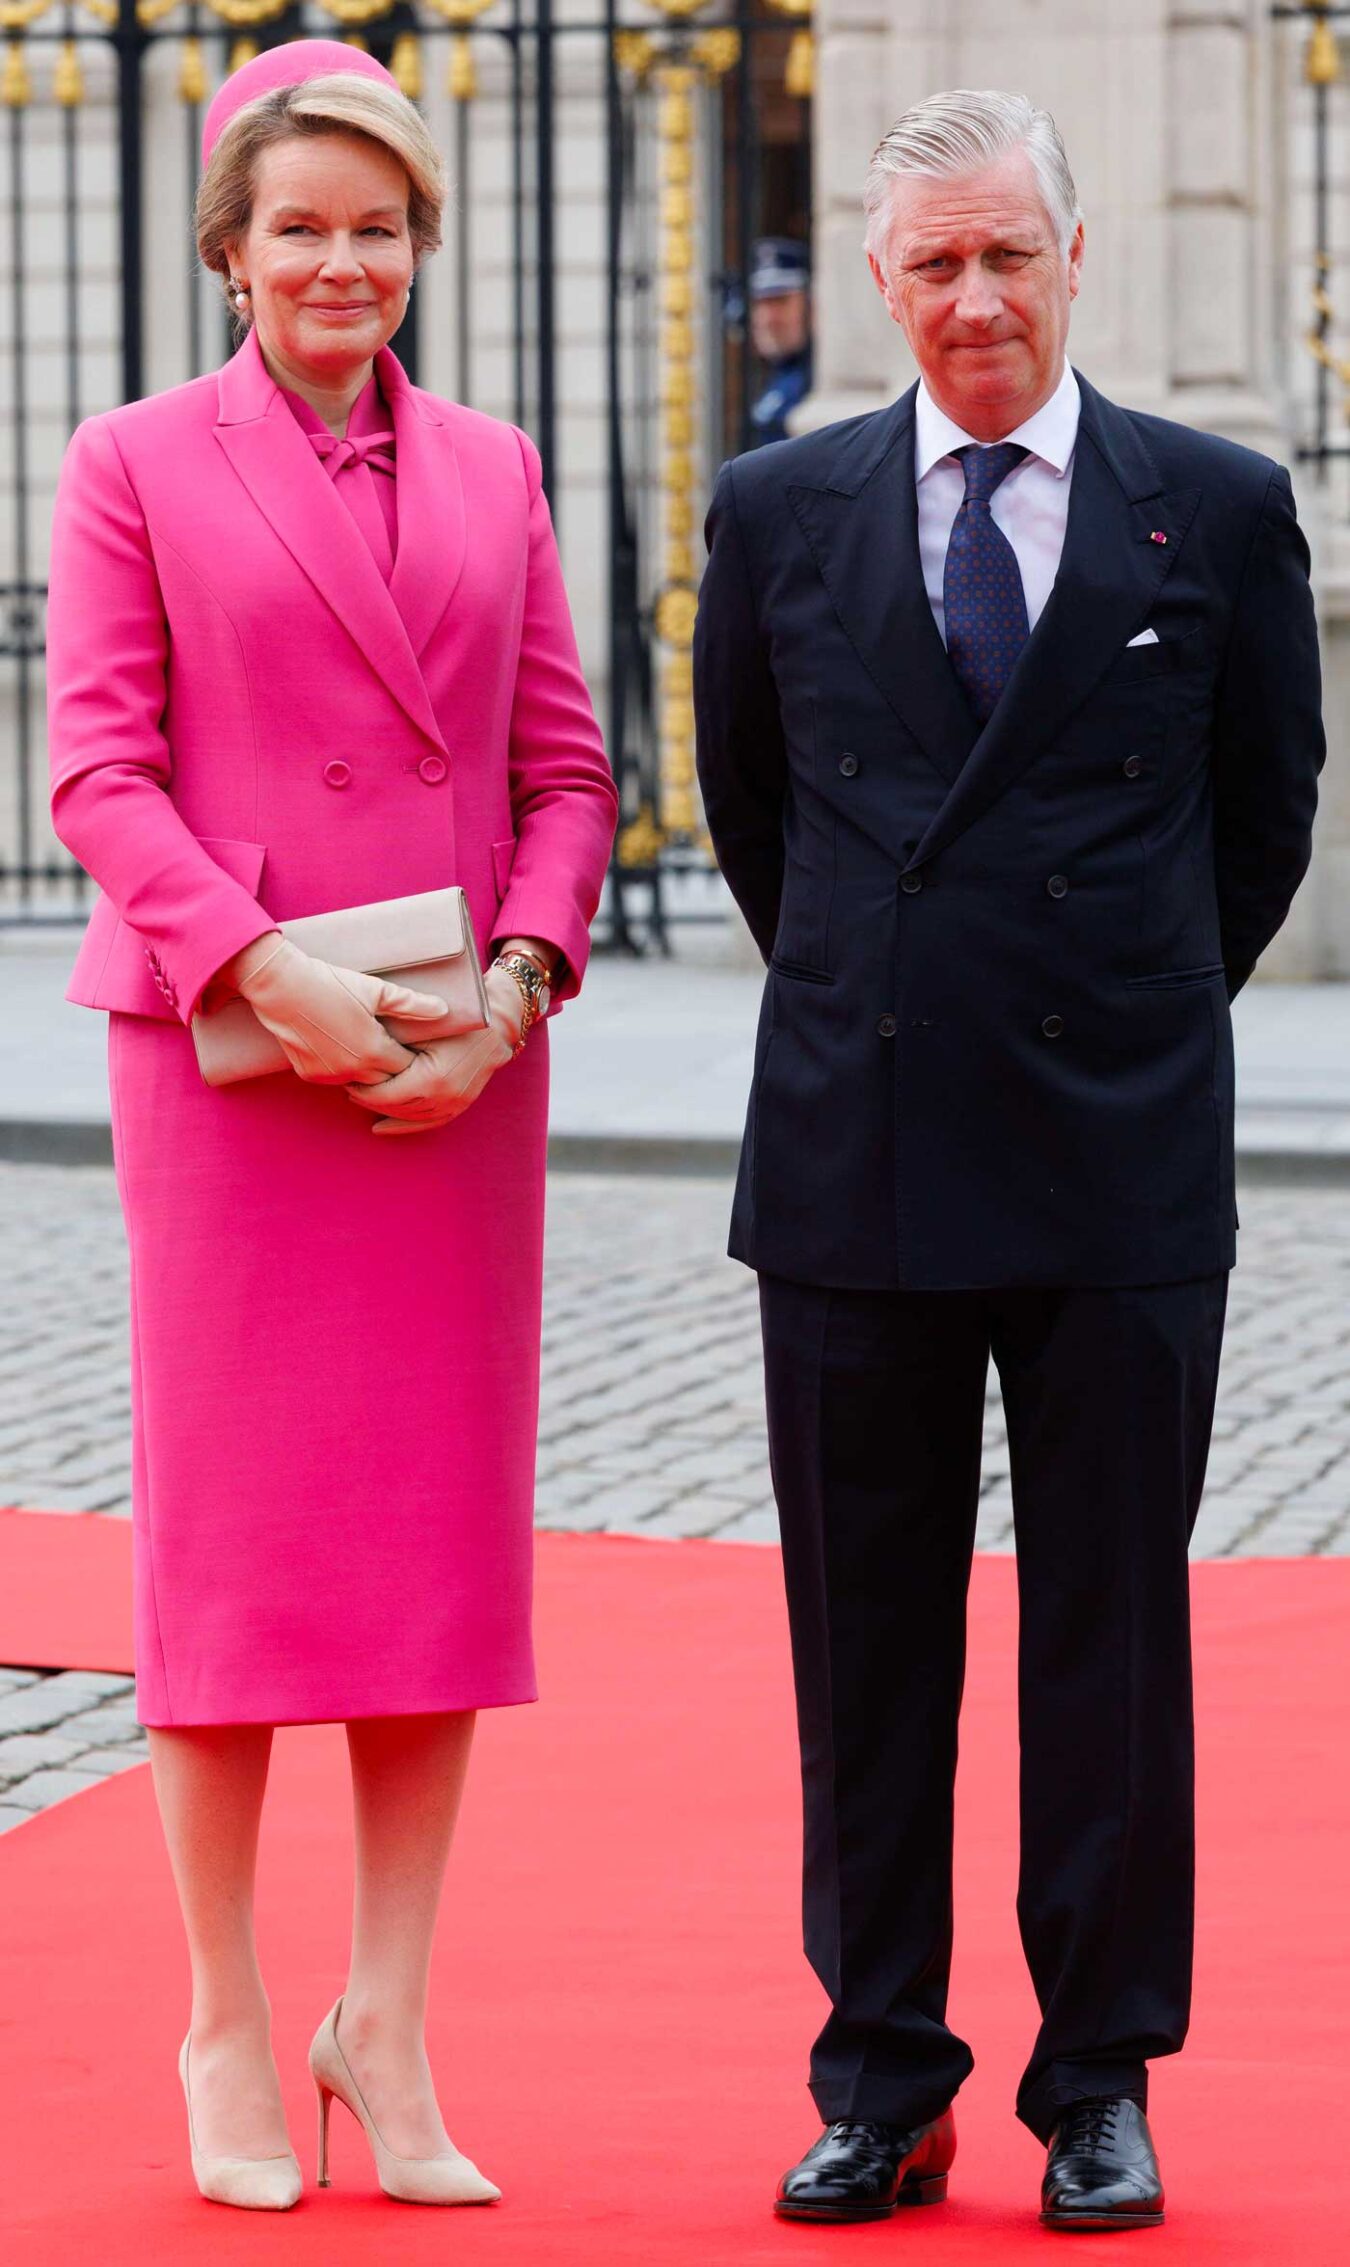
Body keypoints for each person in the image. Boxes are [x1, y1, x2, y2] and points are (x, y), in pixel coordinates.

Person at [694, 88, 1322, 2232]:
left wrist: (1126, 1003)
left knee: (1110, 1640)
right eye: (936, 261)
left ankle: (1100, 2074)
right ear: (881, 279)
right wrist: (884, 981)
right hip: (853, 1147)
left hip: (1114, 1159)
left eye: (1010, 255)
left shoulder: (1214, 508)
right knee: (866, 1647)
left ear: (1077, 262)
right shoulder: (777, 509)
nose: (976, 296)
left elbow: (1263, 818)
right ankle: (882, 2070)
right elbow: (757, 813)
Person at [46, 40, 617, 2213]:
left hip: (449, 1068)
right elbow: (97, 769)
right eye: (300, 225)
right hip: (237, 1059)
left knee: (424, 1550)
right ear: (232, 245)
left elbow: (568, 774)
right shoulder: (130, 459)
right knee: (234, 1549)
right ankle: (221, 2007)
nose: (340, 263)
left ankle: (384, 2017)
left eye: (378, 227)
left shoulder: (495, 464)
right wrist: (261, 965)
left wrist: (515, 994)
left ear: (420, 244)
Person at [747, 237, 813, 446]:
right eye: (761, 303)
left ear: (811, 305)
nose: (769, 318)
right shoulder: (776, 376)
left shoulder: (817, 378)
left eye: (781, 301)